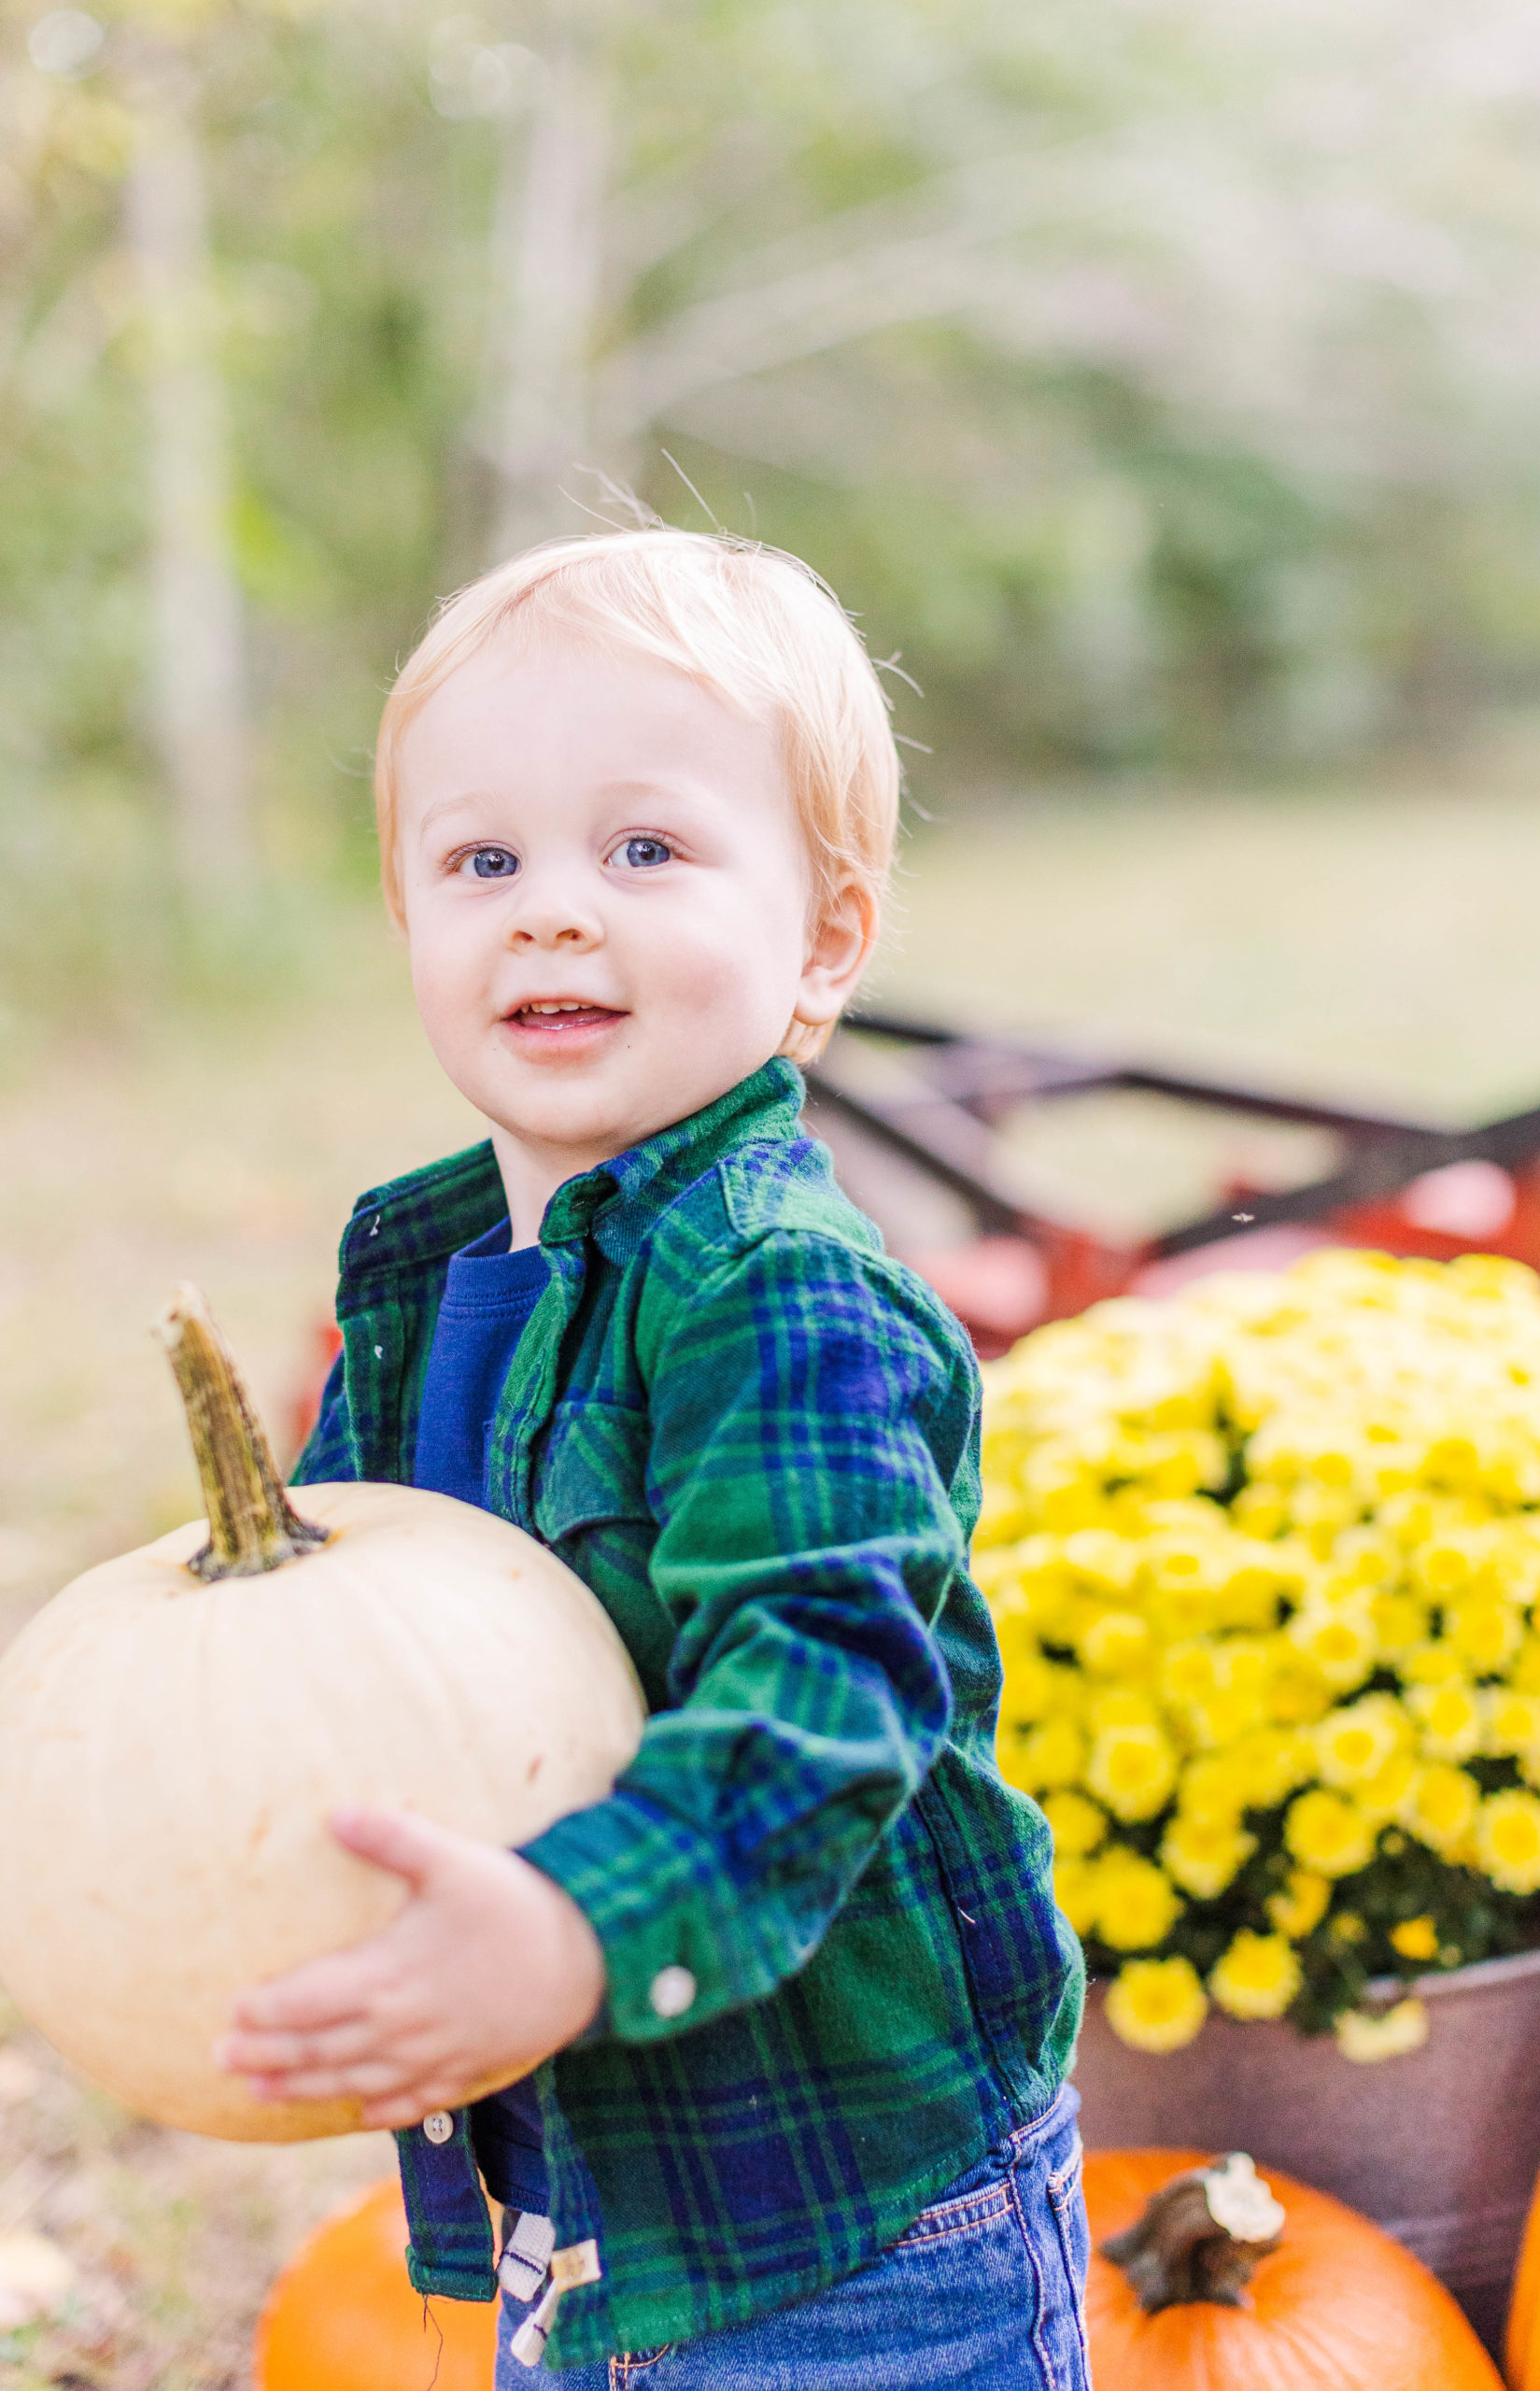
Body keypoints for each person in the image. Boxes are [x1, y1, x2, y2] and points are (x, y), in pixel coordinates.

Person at [217, 530, 1089, 2389]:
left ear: (824, 939)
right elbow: (362, 1659)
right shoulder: (426, 1286)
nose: (548, 909)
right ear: (406, 917)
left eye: (642, 848)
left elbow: (825, 1688)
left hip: (855, 2228)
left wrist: (565, 1924)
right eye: (481, 859)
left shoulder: (780, 1291)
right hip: (597, 2205)